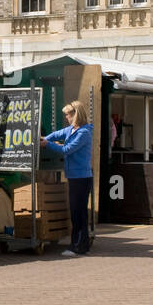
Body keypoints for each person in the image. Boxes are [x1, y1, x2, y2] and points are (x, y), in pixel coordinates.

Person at [44, 100, 95, 256]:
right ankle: (81, 244)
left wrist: (47, 144)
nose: (66, 117)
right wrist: (45, 138)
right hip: (75, 177)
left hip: (81, 178)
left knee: (78, 212)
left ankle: (78, 246)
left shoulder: (83, 133)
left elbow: (67, 149)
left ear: (76, 114)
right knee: (77, 212)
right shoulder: (71, 130)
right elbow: (56, 135)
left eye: (68, 114)